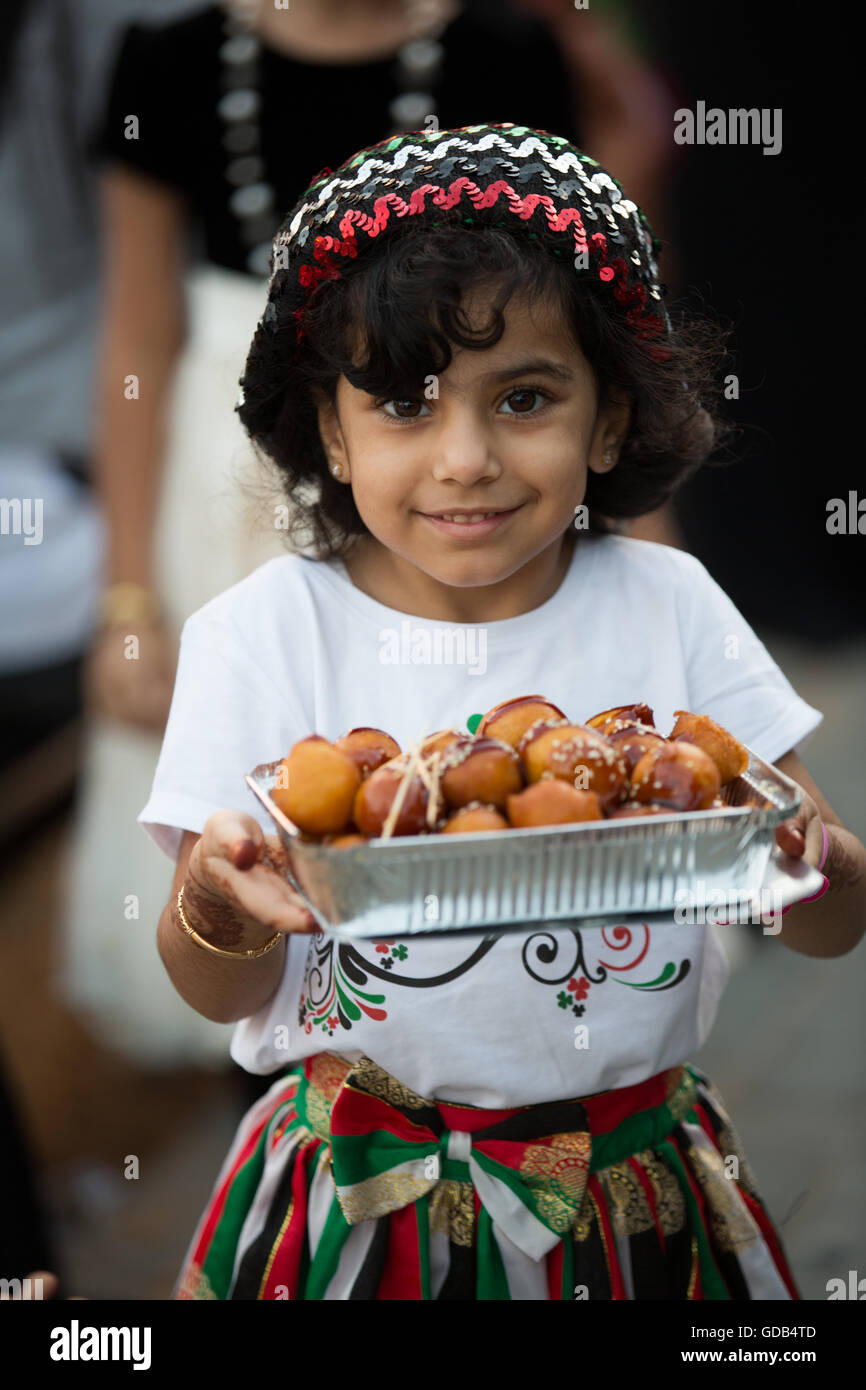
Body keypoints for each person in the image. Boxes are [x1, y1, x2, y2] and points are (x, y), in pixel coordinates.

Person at [137, 123, 866, 1300]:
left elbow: (826, 918)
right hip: (351, 1201)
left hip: (633, 1191)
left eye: (522, 397)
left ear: (611, 415)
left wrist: (812, 861)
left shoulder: (667, 603)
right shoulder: (260, 637)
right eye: (403, 407)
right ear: (329, 427)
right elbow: (214, 985)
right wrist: (219, 900)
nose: (465, 458)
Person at [59, 0, 579, 1071]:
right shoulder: (170, 63)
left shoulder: (503, 53)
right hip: (217, 489)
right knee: (247, 810)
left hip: (452, 464)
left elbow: (575, 324)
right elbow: (138, 326)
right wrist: (126, 600)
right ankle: (294, 1122)